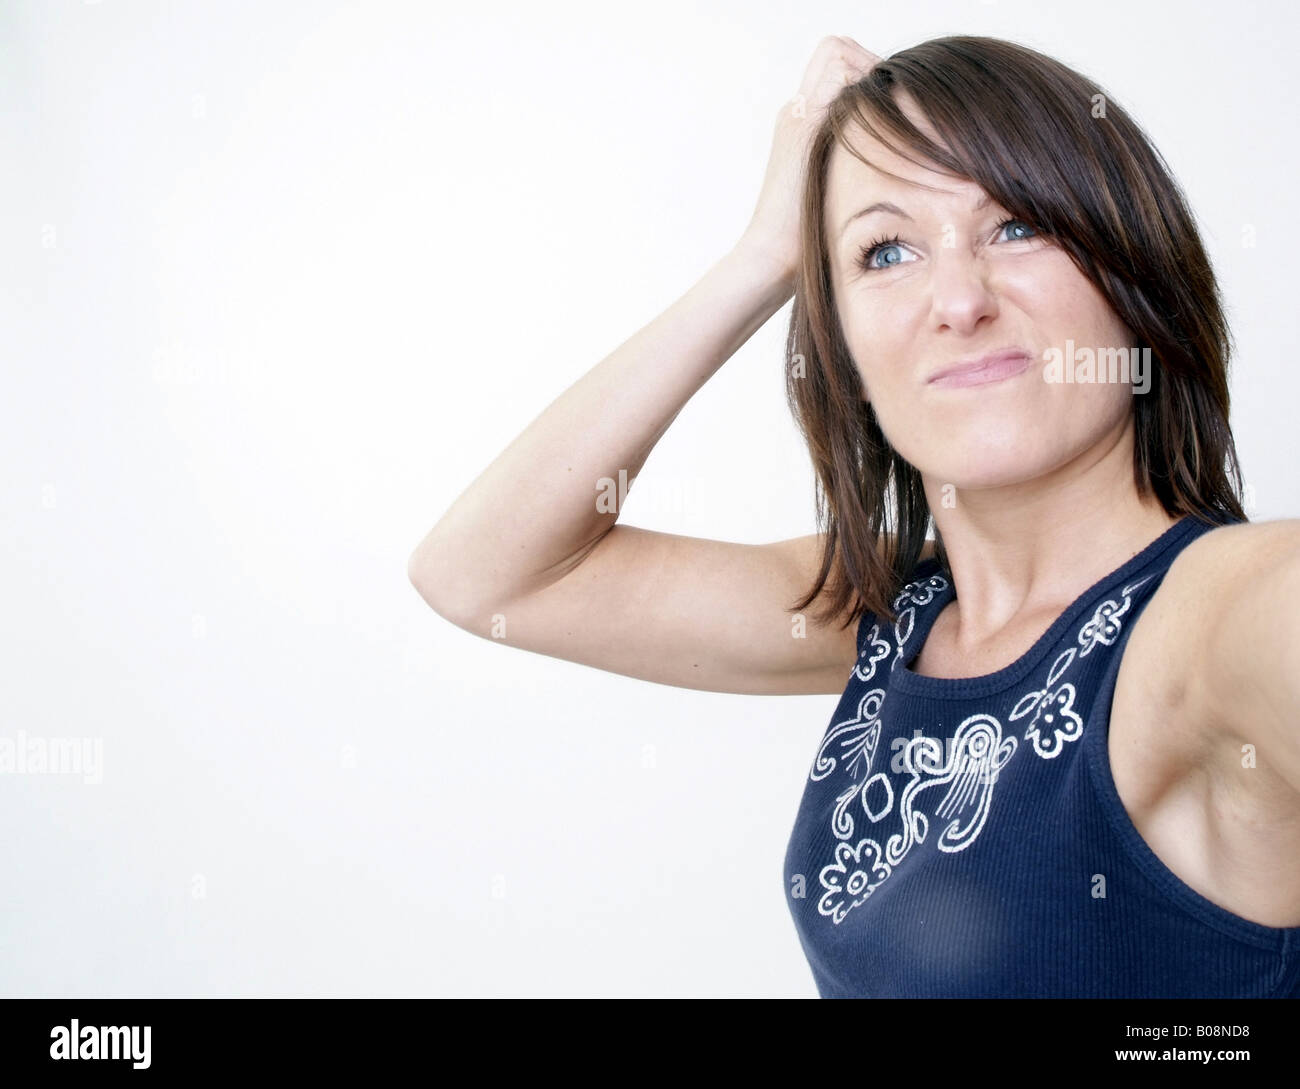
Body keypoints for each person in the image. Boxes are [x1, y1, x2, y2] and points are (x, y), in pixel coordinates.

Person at [407, 34, 1300, 997]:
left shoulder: (1216, 616)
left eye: (1017, 226)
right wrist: (764, 253)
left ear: (1132, 270)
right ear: (844, 354)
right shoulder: (888, 614)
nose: (959, 300)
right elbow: (486, 576)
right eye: (885, 251)